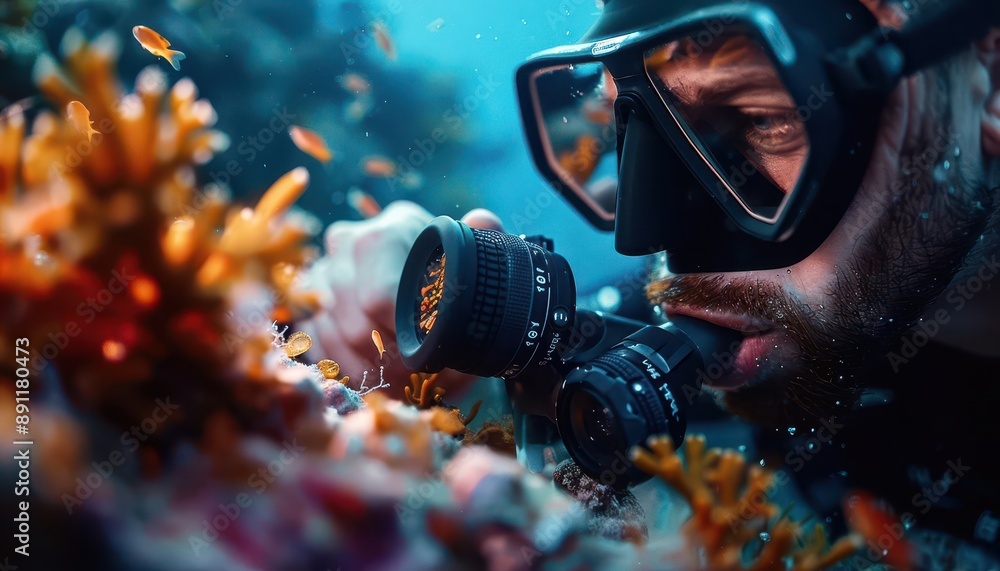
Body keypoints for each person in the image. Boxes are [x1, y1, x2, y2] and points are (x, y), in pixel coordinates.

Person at [302, 0, 1000, 566]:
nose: (654, 240)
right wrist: (439, 409)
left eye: (757, 122)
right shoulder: (668, 352)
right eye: (632, 137)